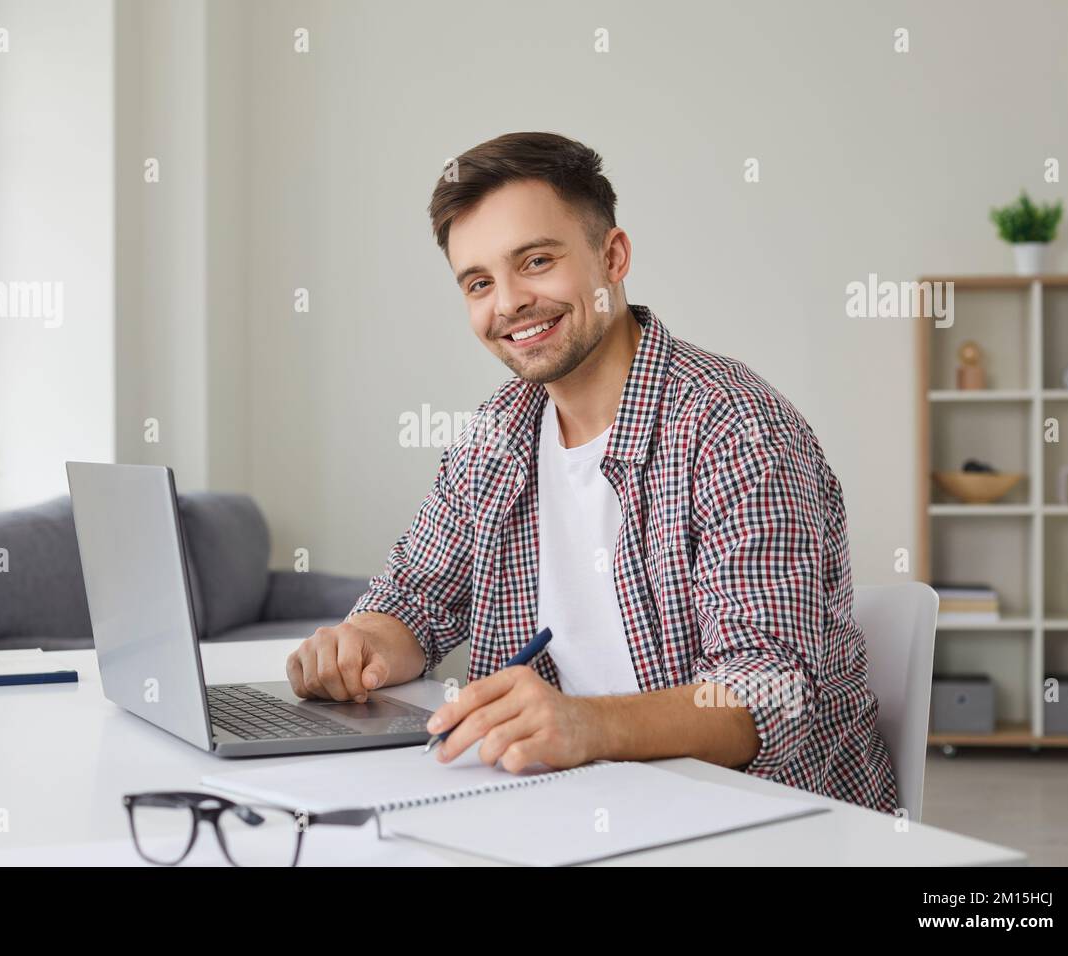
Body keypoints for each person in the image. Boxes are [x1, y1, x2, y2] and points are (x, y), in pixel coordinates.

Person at [286, 131, 896, 813]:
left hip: (763, 823)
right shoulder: (497, 434)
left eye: (537, 261)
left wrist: (586, 724)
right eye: (480, 283)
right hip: (573, 806)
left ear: (612, 257)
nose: (510, 303)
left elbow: (769, 689)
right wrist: (360, 645)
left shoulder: (734, 426)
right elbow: (419, 600)